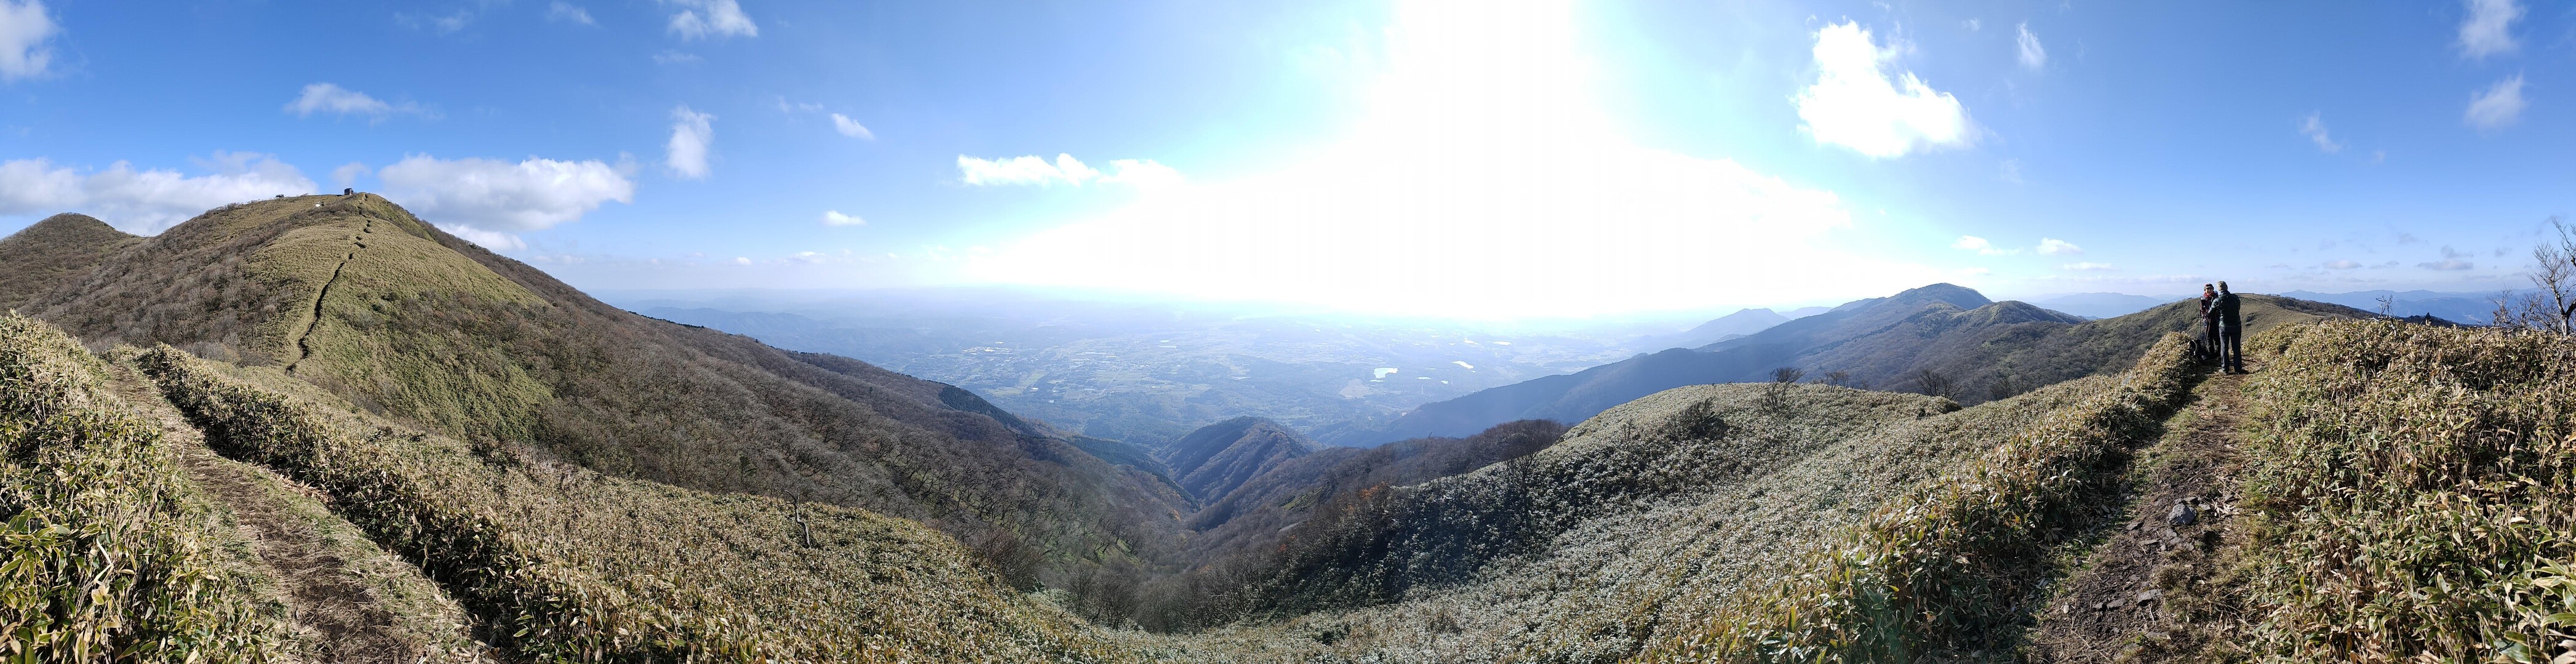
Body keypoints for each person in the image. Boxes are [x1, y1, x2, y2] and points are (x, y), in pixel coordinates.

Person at [2214, 281, 2244, 373]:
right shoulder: (2235, 298)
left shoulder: (2218, 300)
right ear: (2227, 287)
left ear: (2219, 289)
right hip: (2236, 324)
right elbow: (2238, 308)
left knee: (2224, 348)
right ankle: (2238, 368)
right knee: (2236, 348)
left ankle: (2225, 369)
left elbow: (2211, 312)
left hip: (2224, 326)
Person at [2198, 284, 2220, 362]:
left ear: (2213, 289)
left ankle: (2218, 354)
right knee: (2209, 338)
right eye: (2207, 289)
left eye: (2210, 289)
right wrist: (2205, 314)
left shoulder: (2216, 298)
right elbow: (2202, 309)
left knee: (2217, 337)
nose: (2209, 290)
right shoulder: (2203, 299)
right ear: (2205, 290)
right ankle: (2211, 353)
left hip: (2215, 321)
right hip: (2207, 321)